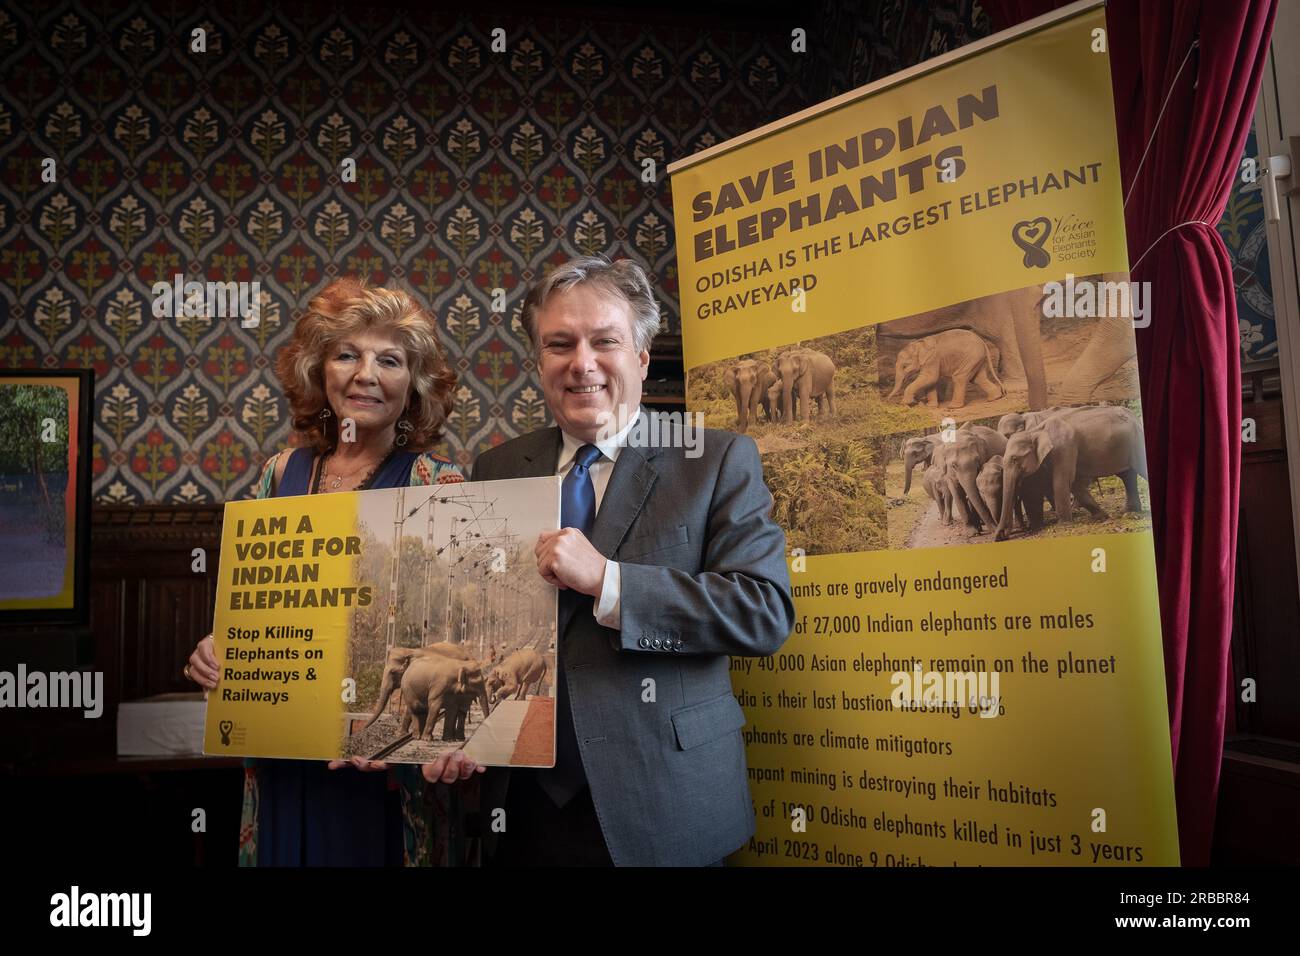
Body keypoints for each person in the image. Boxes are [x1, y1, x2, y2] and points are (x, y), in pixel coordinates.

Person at [422, 256, 794, 866]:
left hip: (664, 798)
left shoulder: (715, 458)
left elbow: (762, 612)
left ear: (642, 356)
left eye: (605, 341)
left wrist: (608, 581)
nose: (582, 362)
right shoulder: (495, 469)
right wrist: (461, 732)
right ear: (539, 363)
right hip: (524, 803)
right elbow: (481, 625)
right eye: (559, 344)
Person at [184, 277, 481, 866]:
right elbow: (257, 610)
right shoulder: (280, 474)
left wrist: (390, 732)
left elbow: (459, 638)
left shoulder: (439, 484)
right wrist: (220, 650)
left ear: (414, 384)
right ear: (320, 372)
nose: (365, 374)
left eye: (389, 360)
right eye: (347, 354)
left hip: (389, 776)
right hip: (286, 763)